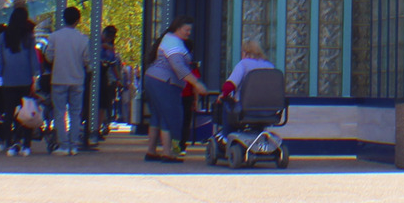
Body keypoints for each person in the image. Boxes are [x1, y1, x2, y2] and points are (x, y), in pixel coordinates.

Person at [142, 18, 207, 161]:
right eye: (186, 30)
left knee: (157, 116)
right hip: (166, 82)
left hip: (153, 78)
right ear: (177, 28)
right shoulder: (174, 43)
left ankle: (151, 150)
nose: (189, 33)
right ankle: (169, 153)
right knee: (171, 116)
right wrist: (197, 83)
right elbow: (178, 66)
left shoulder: (167, 39)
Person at [0, 6, 41, 157]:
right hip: (25, 79)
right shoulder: (28, 36)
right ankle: (26, 145)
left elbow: (0, 59)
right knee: (26, 112)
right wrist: (35, 76)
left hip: (8, 79)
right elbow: (33, 57)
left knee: (9, 113)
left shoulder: (3, 36)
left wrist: (2, 74)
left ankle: (10, 143)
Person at [46, 5, 89, 156]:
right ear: (78, 20)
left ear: (64, 18)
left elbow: (49, 56)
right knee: (75, 113)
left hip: (59, 78)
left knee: (59, 112)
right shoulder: (83, 39)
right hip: (77, 79)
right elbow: (86, 60)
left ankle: (63, 145)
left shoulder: (54, 37)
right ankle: (74, 145)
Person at [216, 38, 276, 134]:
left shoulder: (243, 64)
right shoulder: (270, 66)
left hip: (245, 109)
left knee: (226, 104)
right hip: (268, 110)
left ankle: (227, 136)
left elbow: (229, 86)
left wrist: (223, 95)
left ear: (245, 52)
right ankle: (257, 133)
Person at [98, 24, 127, 133]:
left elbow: (113, 64)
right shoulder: (96, 43)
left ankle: (99, 127)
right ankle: (92, 126)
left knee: (104, 104)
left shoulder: (110, 48)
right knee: (95, 104)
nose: (109, 39)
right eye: (108, 36)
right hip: (95, 74)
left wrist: (118, 79)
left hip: (105, 75)